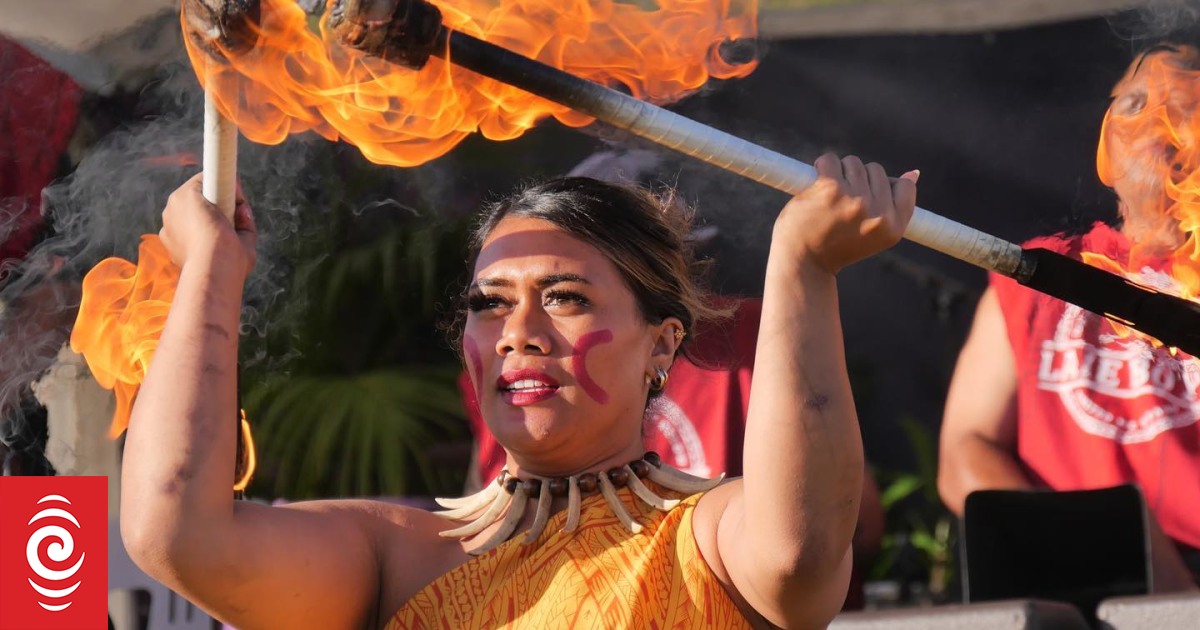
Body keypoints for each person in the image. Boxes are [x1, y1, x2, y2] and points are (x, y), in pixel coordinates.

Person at [122, 154, 917, 629]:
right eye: (489, 303)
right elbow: (176, 534)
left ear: (662, 344)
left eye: (565, 298)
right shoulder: (398, 556)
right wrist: (211, 269)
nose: (517, 332)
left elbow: (802, 550)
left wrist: (803, 266)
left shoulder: (710, 537)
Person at [938, 41, 1200, 589]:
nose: (1156, 124)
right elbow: (965, 449)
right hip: (1067, 573)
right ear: (1107, 149)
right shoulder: (1040, 274)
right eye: (1134, 104)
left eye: (1183, 105)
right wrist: (1099, 544)